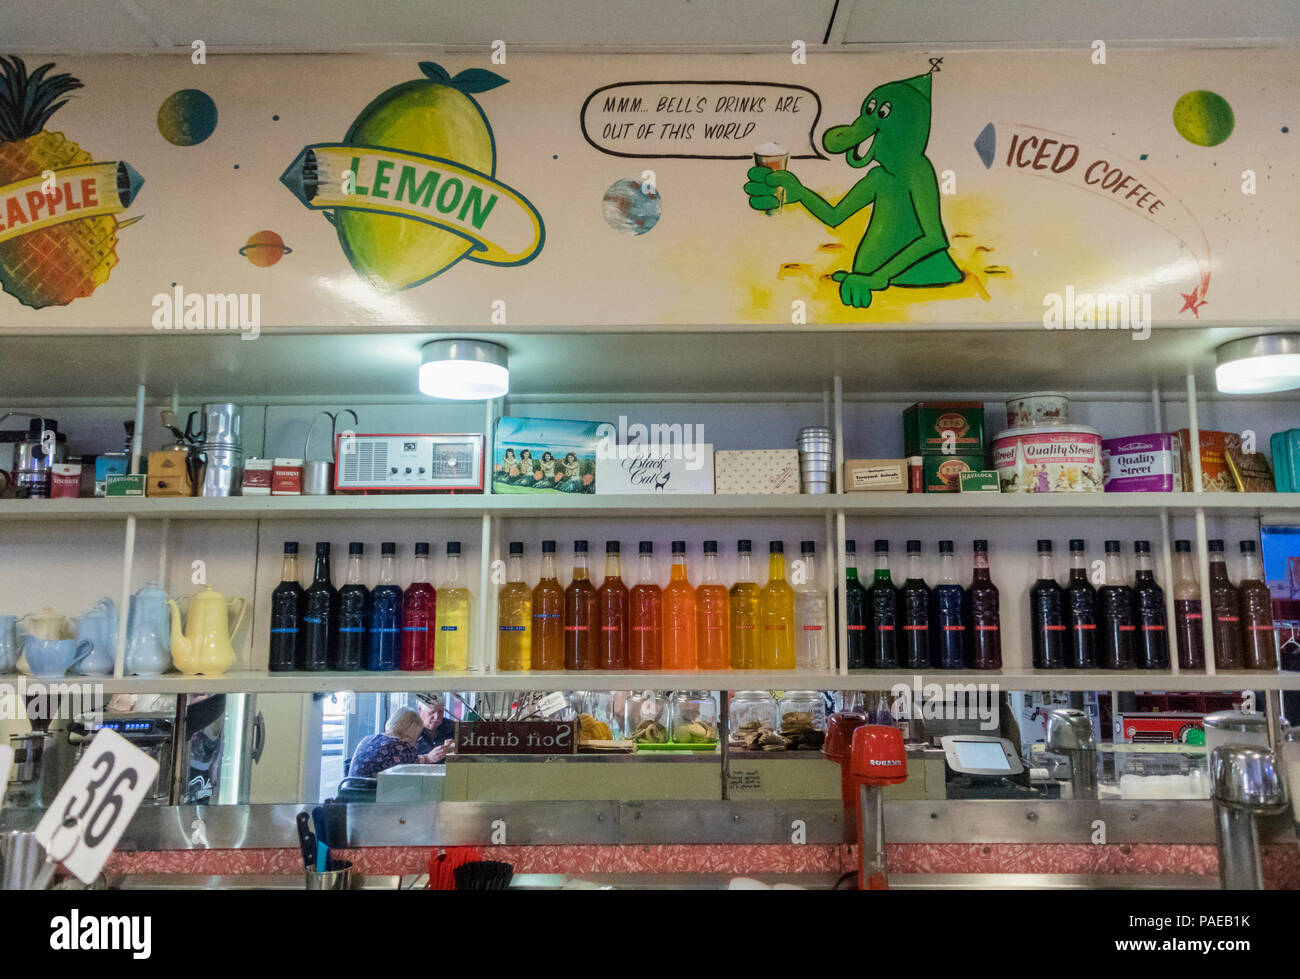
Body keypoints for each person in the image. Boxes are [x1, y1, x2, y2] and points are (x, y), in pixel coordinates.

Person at [348, 708, 423, 779]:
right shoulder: (403, 748)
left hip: (350, 789)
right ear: (414, 731)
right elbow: (412, 777)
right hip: (376, 791)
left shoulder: (367, 739)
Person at [415, 692, 455, 763]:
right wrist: (427, 758)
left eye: (440, 712)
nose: (436, 717)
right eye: (431, 712)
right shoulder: (408, 731)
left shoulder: (453, 728)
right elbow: (400, 761)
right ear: (420, 710)